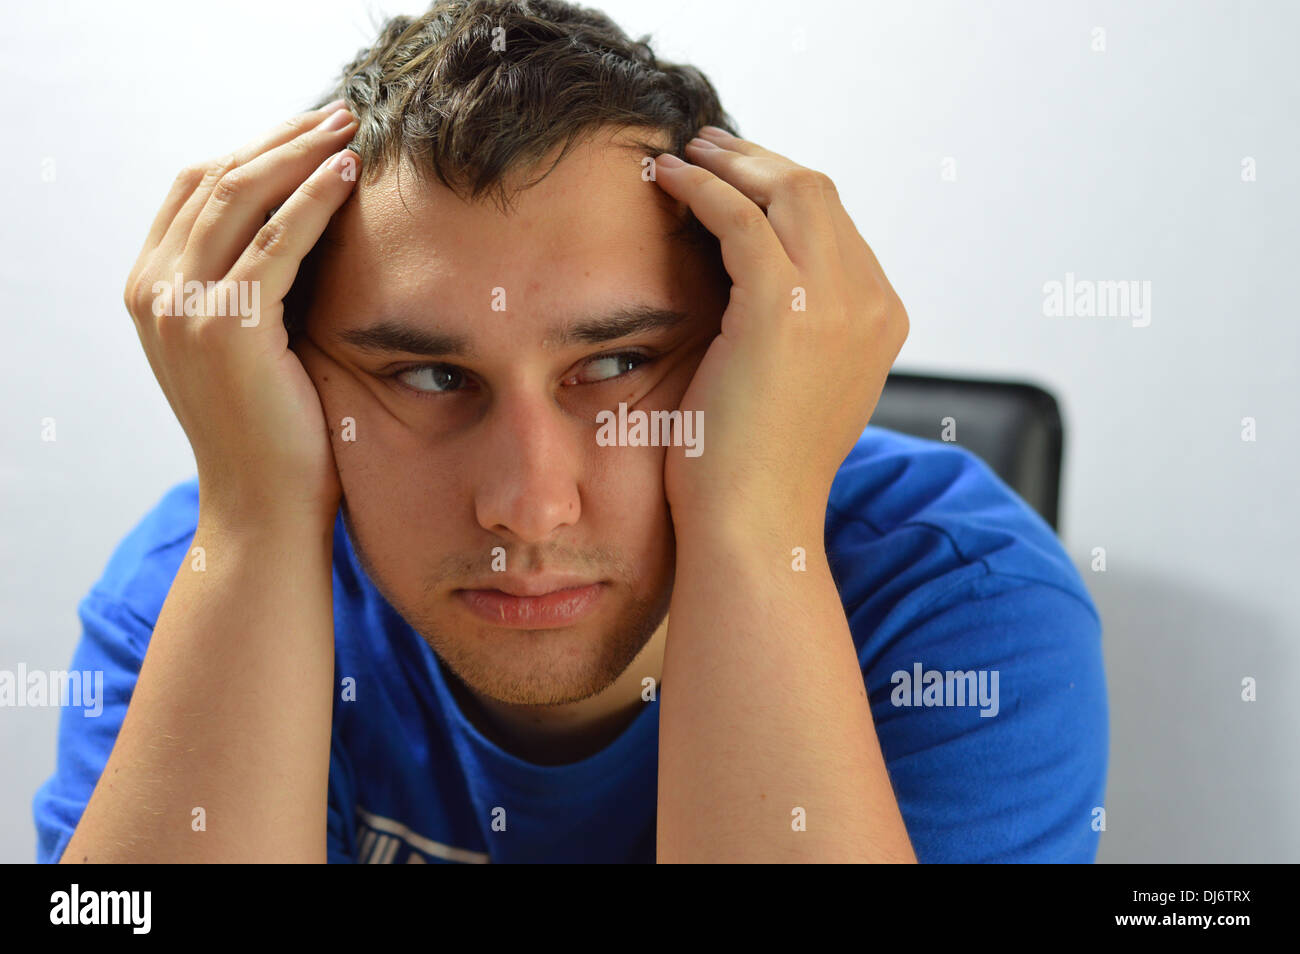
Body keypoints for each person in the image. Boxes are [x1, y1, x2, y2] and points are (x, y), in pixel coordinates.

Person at [34, 0, 1107, 863]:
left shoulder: (957, 594)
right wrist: (258, 526)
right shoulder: (200, 575)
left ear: (749, 350)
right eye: (428, 374)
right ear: (294, 376)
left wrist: (754, 522)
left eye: (617, 364)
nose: (528, 505)